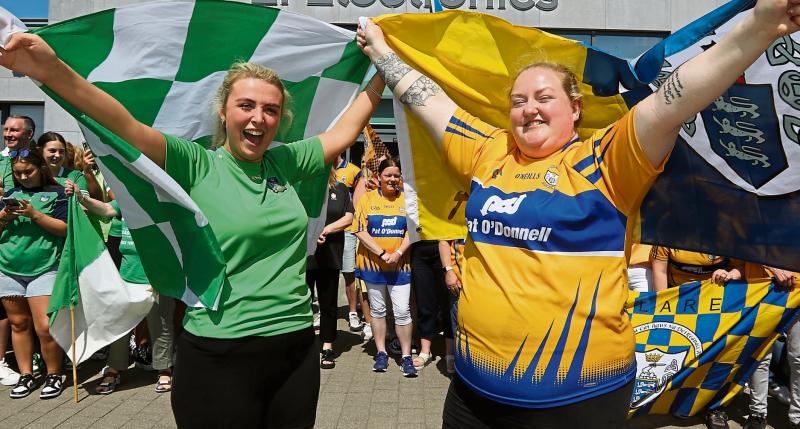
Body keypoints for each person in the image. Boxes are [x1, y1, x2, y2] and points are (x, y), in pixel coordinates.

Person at [357, 1, 800, 426]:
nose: (528, 108)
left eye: (543, 97)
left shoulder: (607, 160)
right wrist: (380, 51)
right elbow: (427, 99)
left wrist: (761, 25)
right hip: (473, 395)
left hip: (581, 397)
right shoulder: (489, 151)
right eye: (518, 100)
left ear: (575, 108)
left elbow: (674, 99)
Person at [0, 30, 384, 427]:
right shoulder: (198, 164)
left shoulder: (284, 162)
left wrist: (385, 69)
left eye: (270, 109)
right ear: (223, 112)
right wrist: (50, 70)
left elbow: (344, 132)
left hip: (295, 348)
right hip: (220, 352)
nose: (259, 118)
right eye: (246, 105)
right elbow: (123, 123)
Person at [63, 180, 173, 395]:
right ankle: (114, 369)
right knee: (118, 326)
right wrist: (80, 196)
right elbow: (104, 209)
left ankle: (164, 369)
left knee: (160, 326)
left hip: (158, 279)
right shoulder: (127, 199)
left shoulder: (165, 203)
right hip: (126, 277)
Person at [0, 149, 67, 399]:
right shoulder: (8, 195)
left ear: (40, 168)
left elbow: (64, 229)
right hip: (8, 268)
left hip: (45, 267)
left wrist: (35, 214)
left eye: (28, 171)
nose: (24, 177)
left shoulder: (58, 194)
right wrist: (4, 216)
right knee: (19, 323)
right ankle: (26, 374)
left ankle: (53, 374)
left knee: (45, 327)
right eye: (18, 173)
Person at [351, 157, 414, 376]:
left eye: (396, 175)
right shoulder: (366, 200)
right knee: (377, 310)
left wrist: (397, 253)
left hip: (400, 267)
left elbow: (414, 231)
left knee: (402, 311)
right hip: (372, 267)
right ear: (379, 177)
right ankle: (381, 353)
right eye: (388, 175)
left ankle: (406, 356)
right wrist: (381, 253)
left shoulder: (407, 201)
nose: (393, 179)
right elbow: (359, 229)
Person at [307, 168, 354, 369]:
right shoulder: (303, 188)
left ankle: (327, 345)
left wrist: (326, 229)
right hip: (305, 254)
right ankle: (303, 343)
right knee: (301, 300)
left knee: (328, 303)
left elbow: (349, 217)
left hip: (331, 254)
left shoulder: (341, 189)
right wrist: (313, 232)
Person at [743, 264, 798, 429]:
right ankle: (757, 413)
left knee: (799, 358)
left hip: (797, 290)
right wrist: (775, 267)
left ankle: (797, 418)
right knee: (759, 355)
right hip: (759, 287)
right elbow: (747, 241)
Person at [335, 157, 364, 333]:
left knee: (349, 273)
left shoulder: (353, 170)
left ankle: (353, 312)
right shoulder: (319, 167)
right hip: (325, 230)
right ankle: (325, 311)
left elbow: (357, 202)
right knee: (326, 273)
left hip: (346, 229)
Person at [36, 131, 103, 201]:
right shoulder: (31, 174)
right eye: (52, 151)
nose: (57, 155)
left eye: (61, 151)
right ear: (40, 151)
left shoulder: (76, 176)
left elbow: (89, 203)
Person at [651, 247, 745, 291]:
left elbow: (742, 268)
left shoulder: (725, 231)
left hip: (715, 293)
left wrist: (730, 275)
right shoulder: (665, 231)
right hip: (676, 293)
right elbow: (660, 272)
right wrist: (662, 302)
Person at [1, 115, 35, 194]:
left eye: (14, 130)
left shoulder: (40, 160)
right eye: (6, 129)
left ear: (29, 133)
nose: (8, 134)